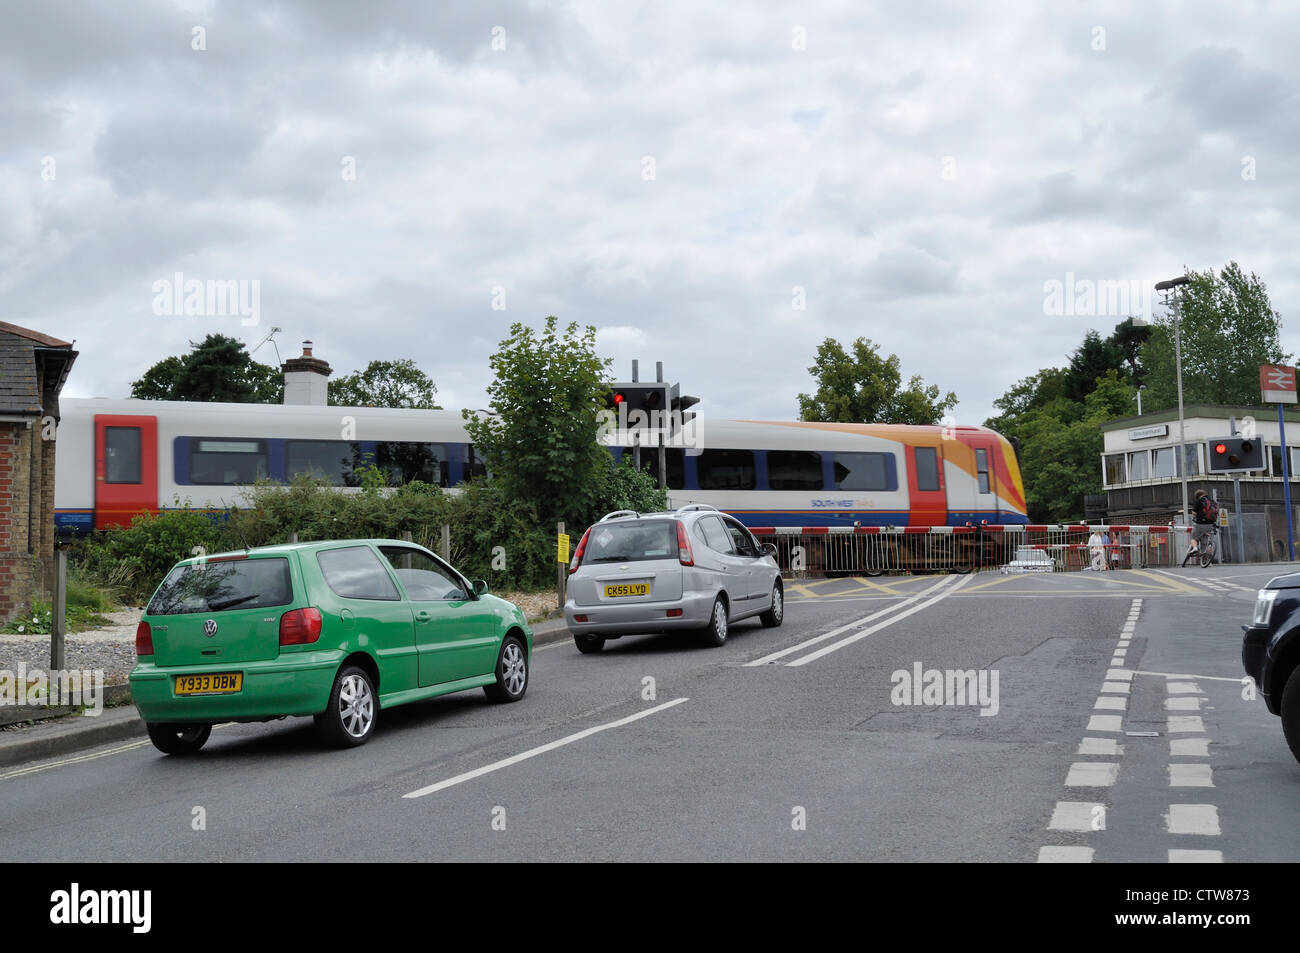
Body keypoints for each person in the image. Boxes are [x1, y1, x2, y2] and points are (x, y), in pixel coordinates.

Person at [1188, 489, 1217, 558]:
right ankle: (1207, 559)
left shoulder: (1199, 500)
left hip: (1201, 523)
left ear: (1198, 496)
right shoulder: (1212, 501)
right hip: (1211, 524)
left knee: (1194, 538)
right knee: (1205, 541)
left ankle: (1195, 548)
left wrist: (1195, 517)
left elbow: (1194, 513)